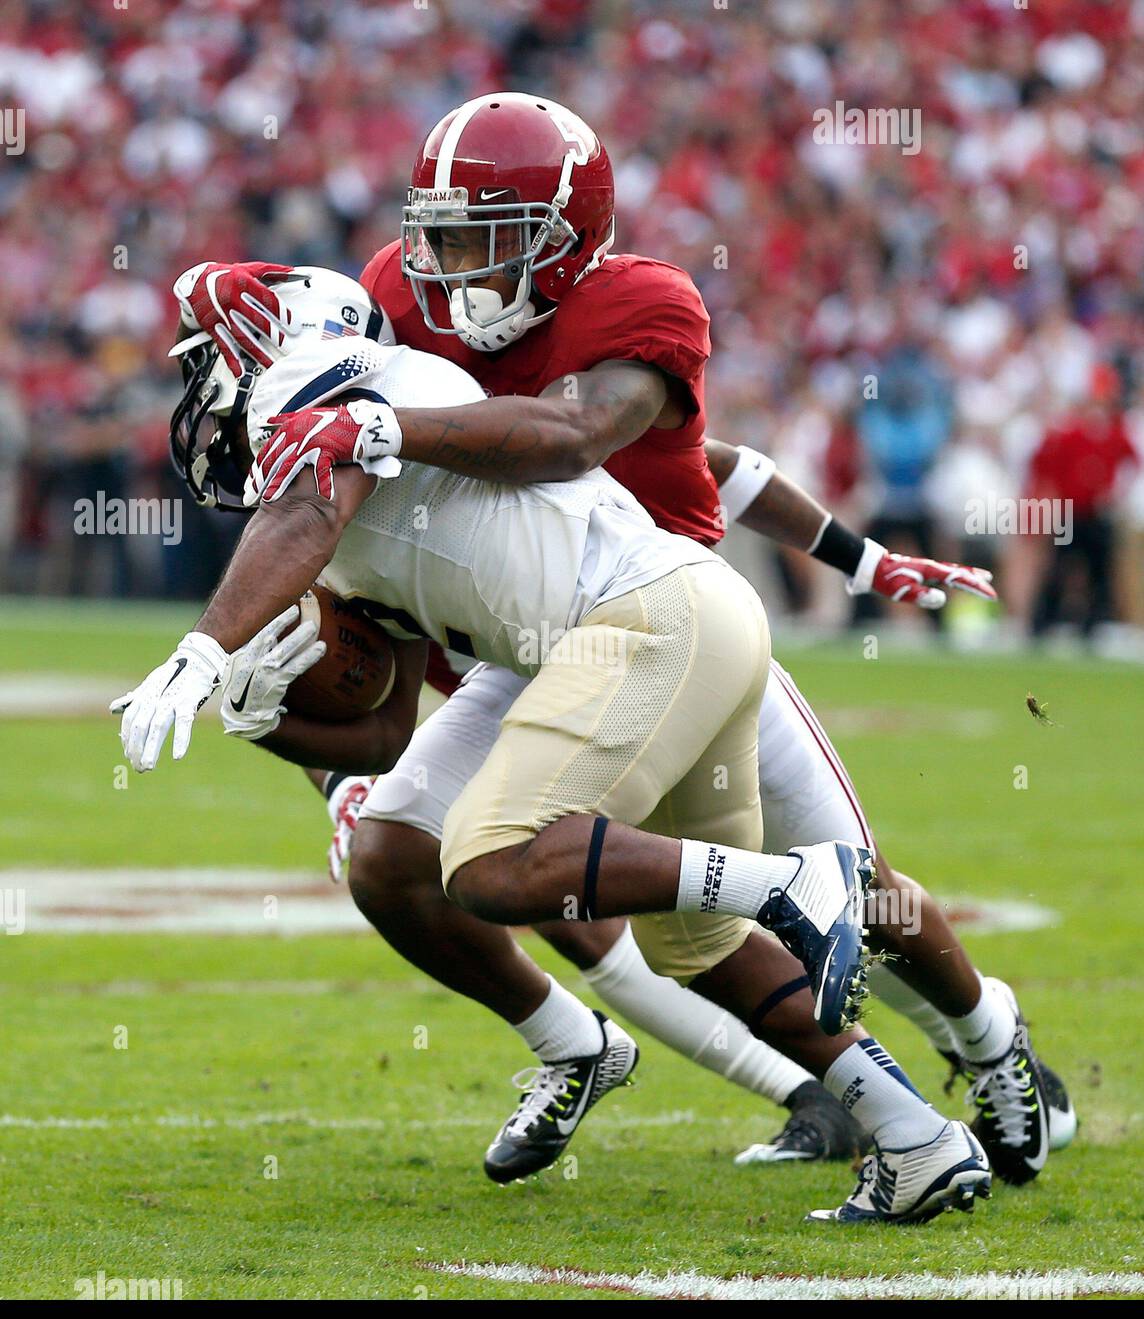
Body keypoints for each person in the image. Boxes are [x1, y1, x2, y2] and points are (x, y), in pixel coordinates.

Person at [165, 92, 1063, 1195]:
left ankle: (990, 1041)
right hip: (520, 638)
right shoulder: (398, 303)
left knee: (859, 894)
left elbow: (621, 448)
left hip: (660, 609)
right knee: (436, 860)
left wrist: (860, 559)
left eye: (480, 238)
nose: (447, 270)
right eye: (434, 236)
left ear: (565, 236)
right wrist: (283, 721)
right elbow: (361, 537)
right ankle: (856, 1111)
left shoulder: (642, 305)